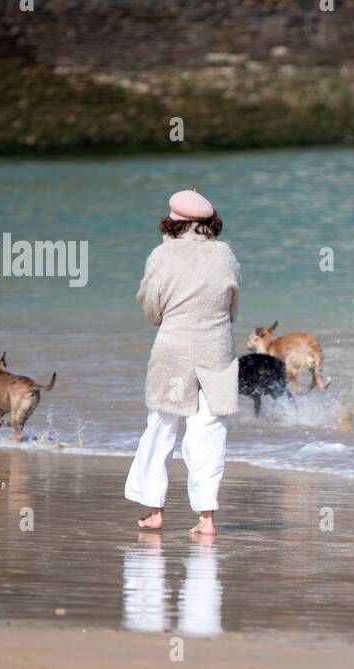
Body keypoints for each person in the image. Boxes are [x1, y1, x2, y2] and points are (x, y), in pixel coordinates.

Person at [124, 189, 240, 536]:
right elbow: (232, 306)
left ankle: (155, 510)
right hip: (217, 348)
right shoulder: (225, 254)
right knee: (209, 430)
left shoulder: (162, 255)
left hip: (174, 349)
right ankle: (206, 518)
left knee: (161, 426)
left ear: (173, 223)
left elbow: (151, 309)